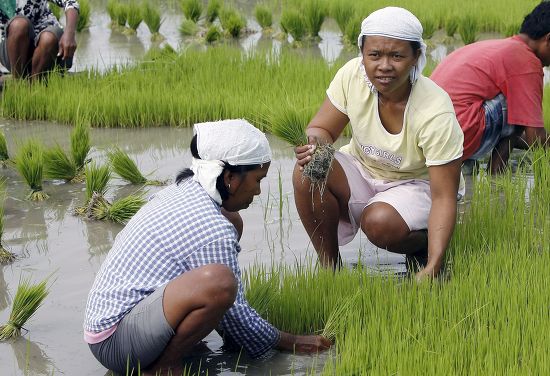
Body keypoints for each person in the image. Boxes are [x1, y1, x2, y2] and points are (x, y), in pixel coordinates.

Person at [84, 120, 331, 375]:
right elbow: (237, 313)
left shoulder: (184, 191)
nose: (258, 191)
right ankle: (163, 367)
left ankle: (181, 343)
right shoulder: (211, 229)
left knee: (231, 220)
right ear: (229, 178)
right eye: (258, 180)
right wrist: (292, 342)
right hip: (115, 343)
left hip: (115, 325)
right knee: (220, 283)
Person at [293, 7, 464, 279]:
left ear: (415, 57)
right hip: (363, 169)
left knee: (379, 222)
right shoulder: (352, 76)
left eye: (397, 56)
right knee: (308, 171)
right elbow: (322, 127)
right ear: (362, 54)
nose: (384, 66)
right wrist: (317, 147)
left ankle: (422, 247)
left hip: (416, 184)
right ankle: (330, 270)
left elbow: (444, 196)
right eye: (374, 55)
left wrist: (435, 265)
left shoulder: (434, 112)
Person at [431, 1, 550, 174]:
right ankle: (496, 173)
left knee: (513, 108)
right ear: (548, 39)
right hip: (458, 136)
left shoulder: (498, 47)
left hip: (433, 137)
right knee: (516, 106)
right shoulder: (526, 61)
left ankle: (484, 168)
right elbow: (536, 138)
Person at [0, 0, 79, 80]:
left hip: (51, 48)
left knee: (48, 39)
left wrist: (69, 34)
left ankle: (35, 85)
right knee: (18, 25)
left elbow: (71, 2)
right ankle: (18, 84)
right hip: (12, 52)